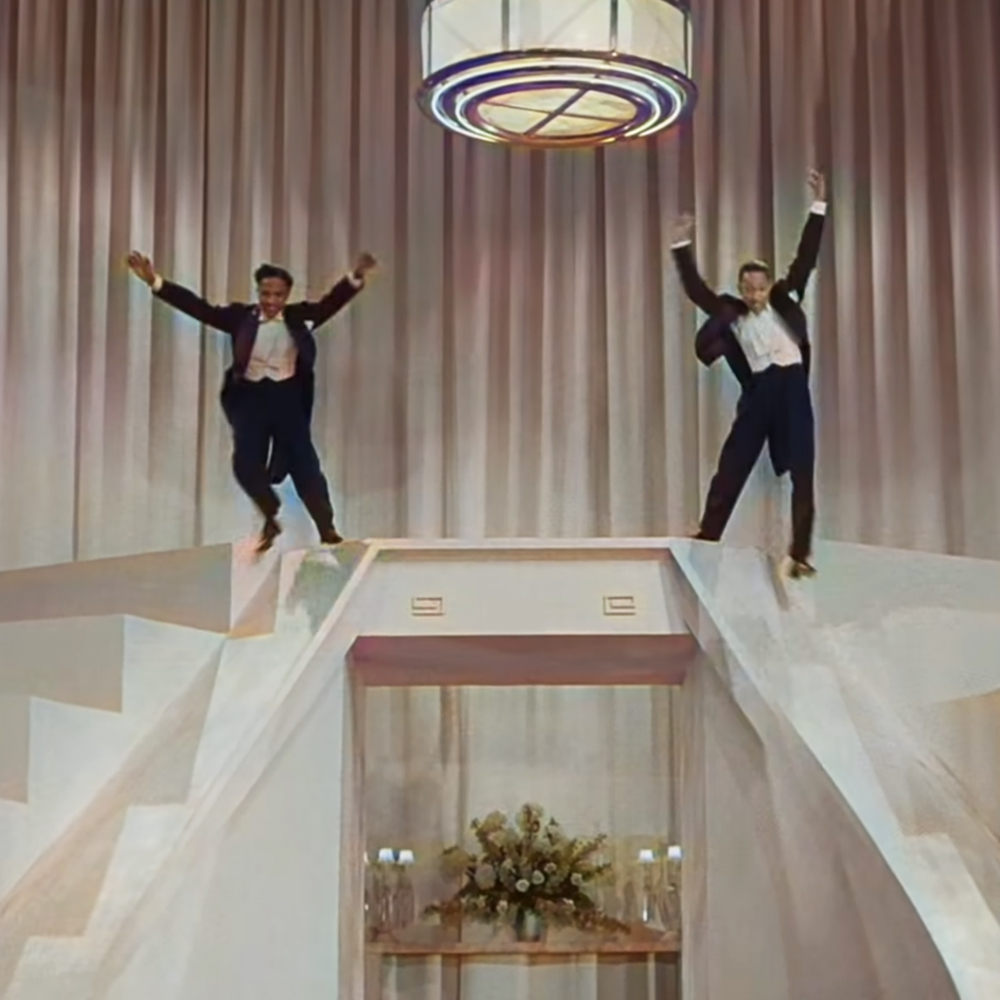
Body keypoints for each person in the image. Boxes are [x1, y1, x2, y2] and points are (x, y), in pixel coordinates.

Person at [127, 249, 378, 552]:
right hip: (251, 398)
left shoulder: (299, 318)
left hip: (287, 398)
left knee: (305, 465)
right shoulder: (240, 318)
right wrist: (154, 281)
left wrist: (356, 276)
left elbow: (331, 303)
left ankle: (327, 528)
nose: (271, 301)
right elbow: (199, 309)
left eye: (278, 295)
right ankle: (271, 515)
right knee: (245, 464)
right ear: (258, 292)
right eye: (266, 294)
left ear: (287, 295)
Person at [670, 170, 827, 578]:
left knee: (803, 467)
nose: (754, 295)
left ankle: (800, 552)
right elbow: (698, 291)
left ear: (769, 285)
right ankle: (708, 533)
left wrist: (818, 205)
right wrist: (681, 245)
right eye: (747, 288)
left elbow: (806, 257)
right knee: (733, 462)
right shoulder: (732, 313)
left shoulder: (786, 299)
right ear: (740, 288)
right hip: (760, 392)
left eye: (759, 287)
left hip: (792, 387)